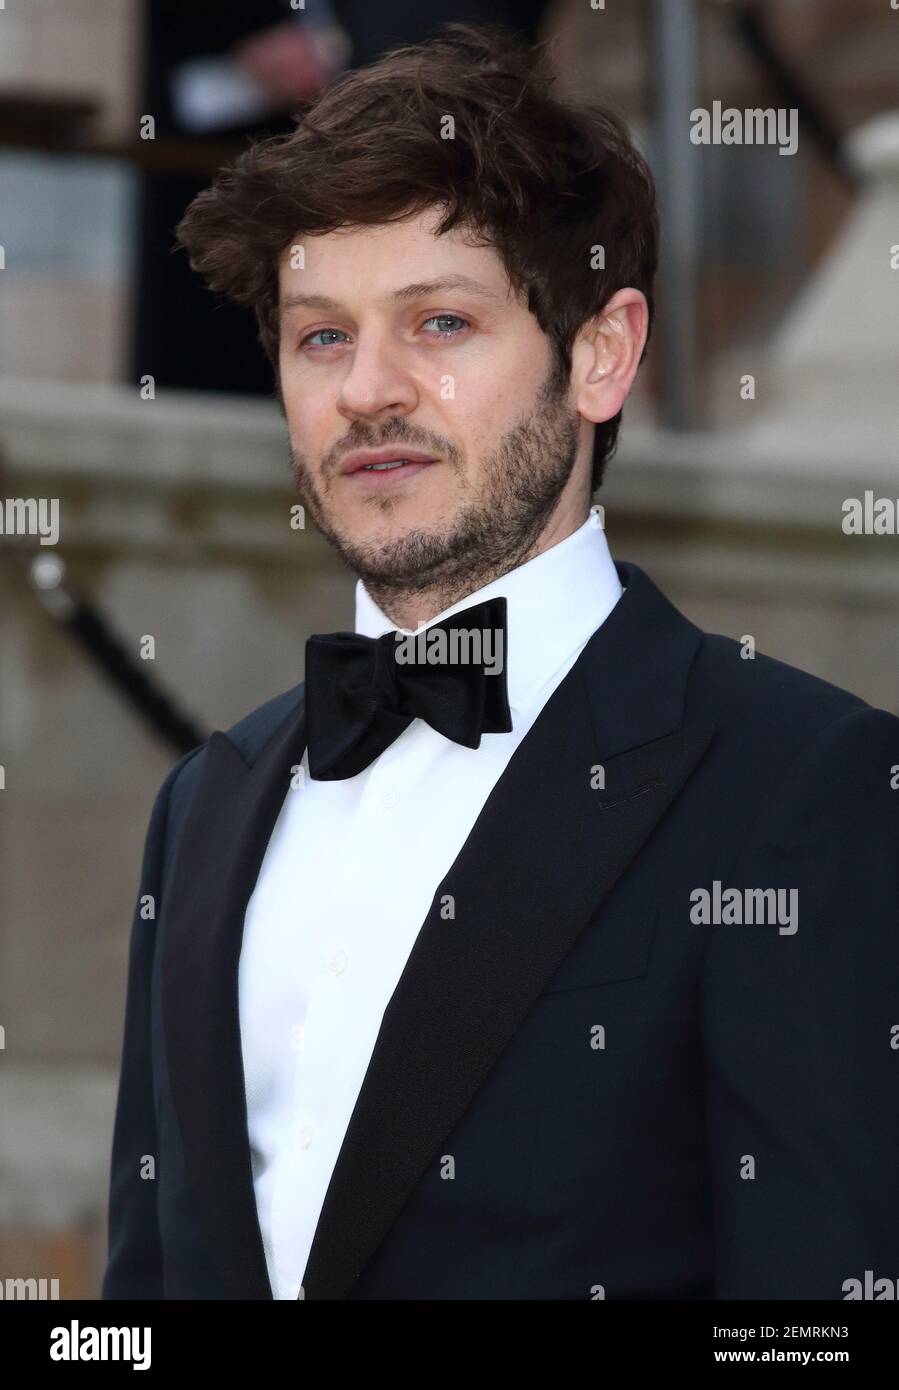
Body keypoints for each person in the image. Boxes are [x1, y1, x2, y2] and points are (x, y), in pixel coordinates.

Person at [102, 23, 899, 1300]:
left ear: (601, 353)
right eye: (321, 337)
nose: (368, 389)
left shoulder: (797, 787)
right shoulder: (203, 805)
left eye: (440, 323)